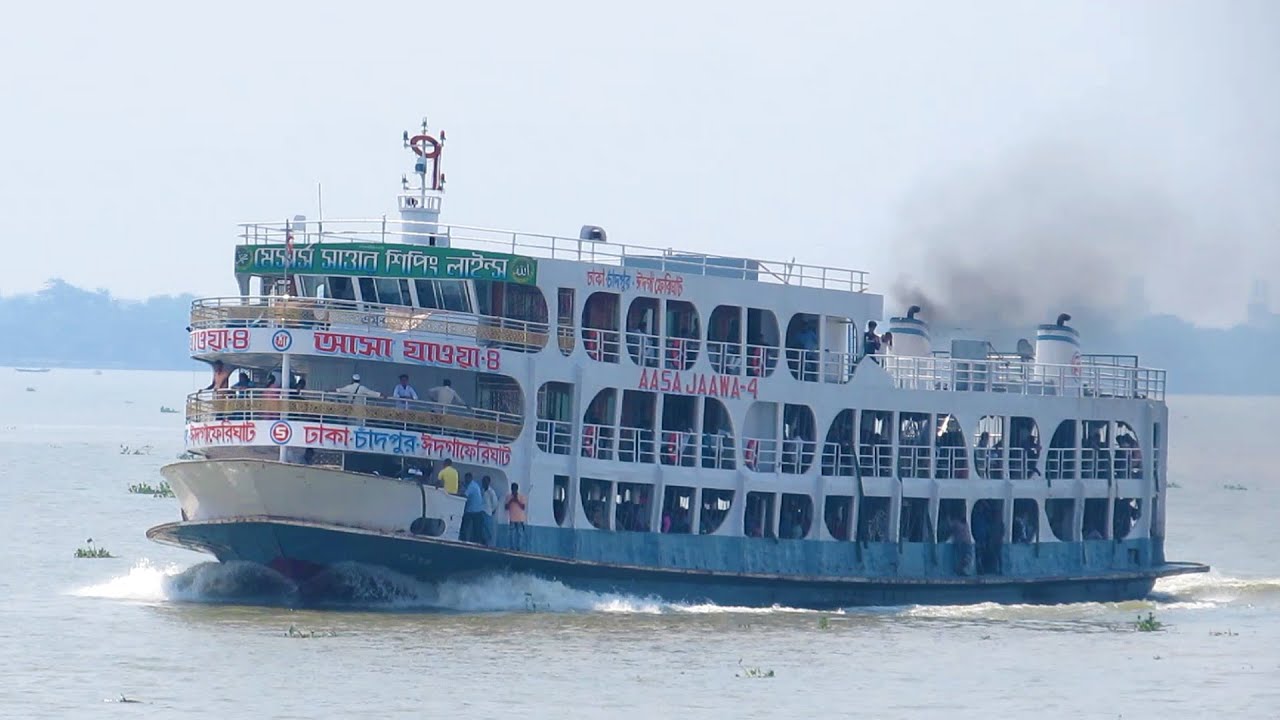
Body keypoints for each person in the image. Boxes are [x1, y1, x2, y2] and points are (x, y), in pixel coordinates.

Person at [461, 474, 486, 543]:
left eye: (466, 478)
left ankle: (464, 539)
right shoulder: (475, 485)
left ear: (469, 478)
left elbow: (465, 495)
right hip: (477, 510)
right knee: (477, 529)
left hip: (472, 510)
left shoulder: (471, 486)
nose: (465, 480)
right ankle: (476, 542)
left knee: (466, 525)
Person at [505, 482, 527, 547]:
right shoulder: (508, 497)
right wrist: (511, 501)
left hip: (520, 519)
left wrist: (517, 501)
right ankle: (512, 547)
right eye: (512, 489)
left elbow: (523, 507)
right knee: (512, 534)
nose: (513, 491)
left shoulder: (521, 496)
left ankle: (519, 548)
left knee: (520, 535)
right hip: (512, 519)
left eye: (514, 489)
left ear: (517, 489)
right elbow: (506, 507)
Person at [482, 476, 499, 546]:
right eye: (483, 481)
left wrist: (492, 510)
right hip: (481, 511)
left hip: (488, 512)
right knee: (482, 529)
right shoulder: (482, 490)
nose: (484, 483)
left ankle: (489, 544)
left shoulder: (491, 492)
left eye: (485, 481)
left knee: (488, 529)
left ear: (488, 482)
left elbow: (495, 502)